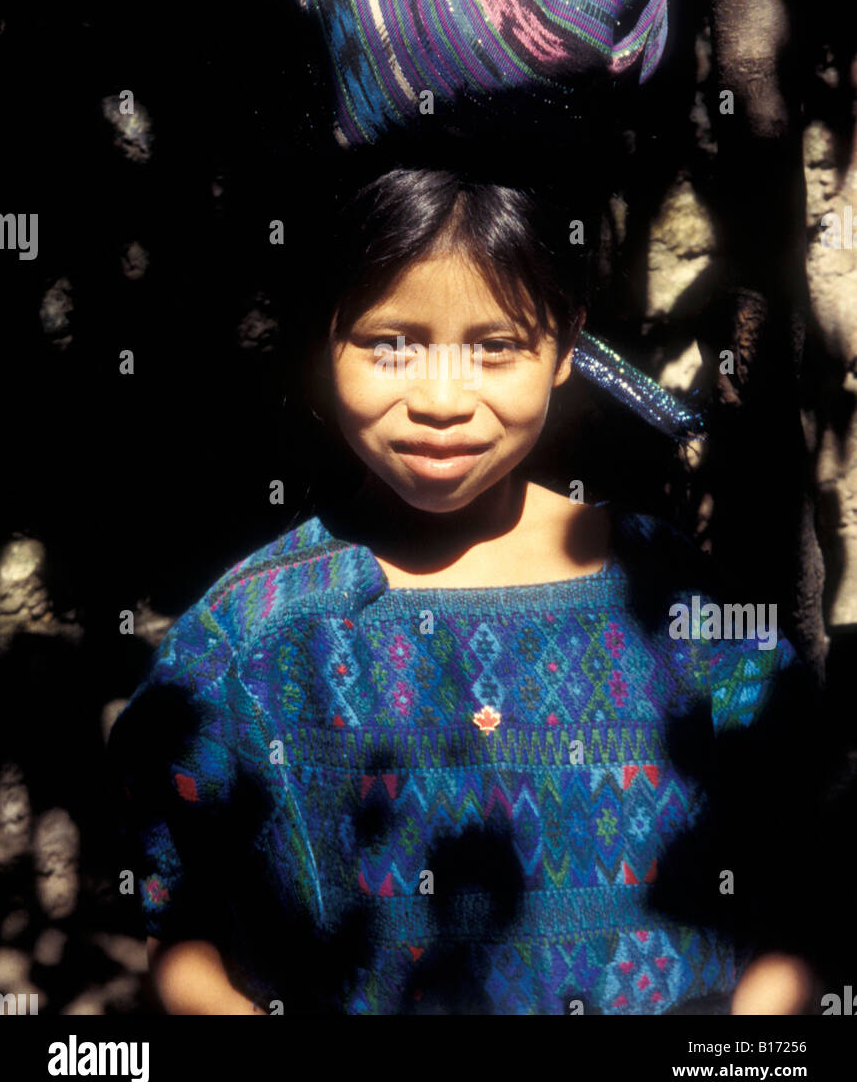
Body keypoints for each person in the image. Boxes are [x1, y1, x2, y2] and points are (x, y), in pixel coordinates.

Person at [108, 167, 828, 1015]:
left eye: (496, 346)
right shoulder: (251, 636)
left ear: (564, 348)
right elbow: (179, 927)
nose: (441, 401)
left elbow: (801, 884)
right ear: (323, 343)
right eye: (389, 346)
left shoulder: (679, 607)